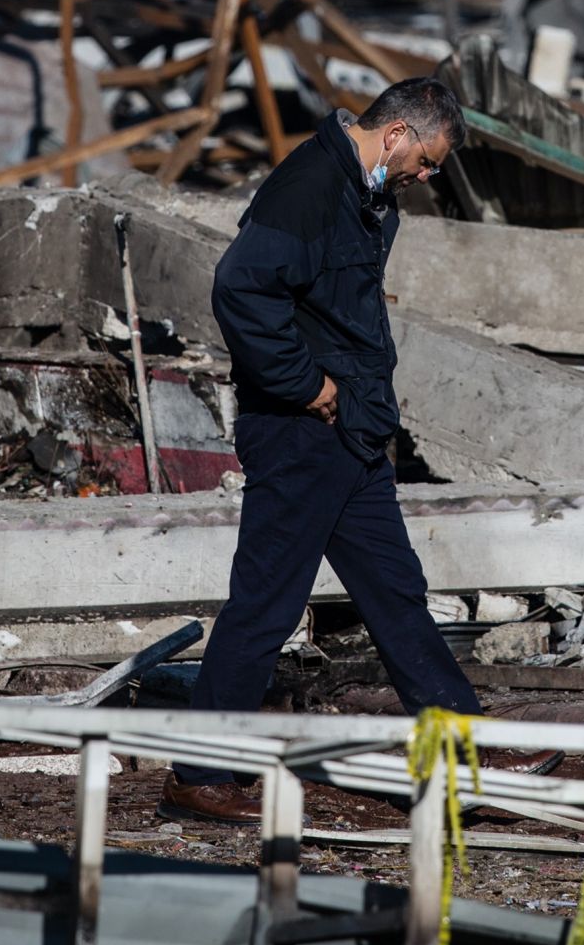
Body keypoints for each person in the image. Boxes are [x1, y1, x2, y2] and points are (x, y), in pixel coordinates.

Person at [161, 80, 516, 826]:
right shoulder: (309, 186)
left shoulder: (369, 196)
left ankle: (461, 757)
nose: (427, 177)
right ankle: (198, 773)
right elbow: (240, 286)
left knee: (396, 592)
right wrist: (308, 384)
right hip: (301, 431)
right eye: (426, 159)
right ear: (395, 136)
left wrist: (357, 405)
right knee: (267, 603)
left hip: (351, 432)